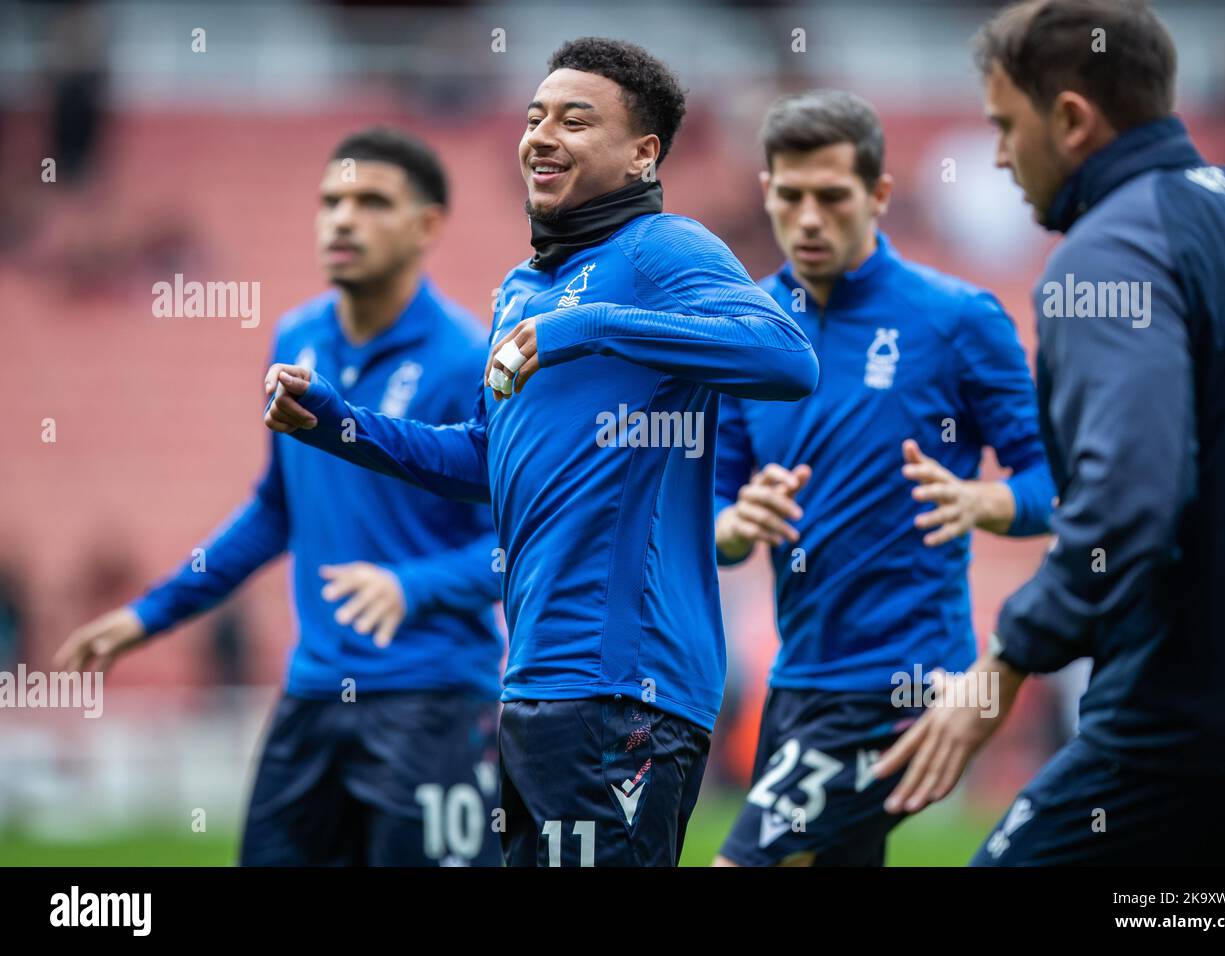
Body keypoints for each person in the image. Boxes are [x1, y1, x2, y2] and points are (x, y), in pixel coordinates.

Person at [261, 38, 819, 867]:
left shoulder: (660, 248)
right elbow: (486, 461)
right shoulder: (525, 288)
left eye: (574, 120)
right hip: (533, 683)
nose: (541, 135)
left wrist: (587, 328)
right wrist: (339, 424)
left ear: (642, 154)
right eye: (534, 117)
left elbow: (786, 358)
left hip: (630, 686)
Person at [875, 0, 1225, 864]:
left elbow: (1128, 497)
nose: (998, 152)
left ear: (1070, 119)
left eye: (1005, 124)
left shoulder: (1109, 252)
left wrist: (1001, 668)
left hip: (1182, 732)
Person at [56, 128, 505, 867]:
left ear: (426, 225)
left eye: (370, 202)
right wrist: (149, 614)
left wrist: (414, 585)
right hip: (314, 695)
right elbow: (277, 506)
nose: (342, 219)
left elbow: (520, 546)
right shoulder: (297, 339)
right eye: (330, 201)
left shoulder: (467, 360)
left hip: (435, 702)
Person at [711, 90, 1053, 867]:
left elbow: (1055, 485)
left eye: (832, 197)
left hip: (900, 682)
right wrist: (735, 524)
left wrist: (985, 502)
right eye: (789, 196)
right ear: (766, 192)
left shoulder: (957, 319)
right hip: (798, 679)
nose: (807, 219)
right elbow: (715, 518)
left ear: (879, 196)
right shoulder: (749, 336)